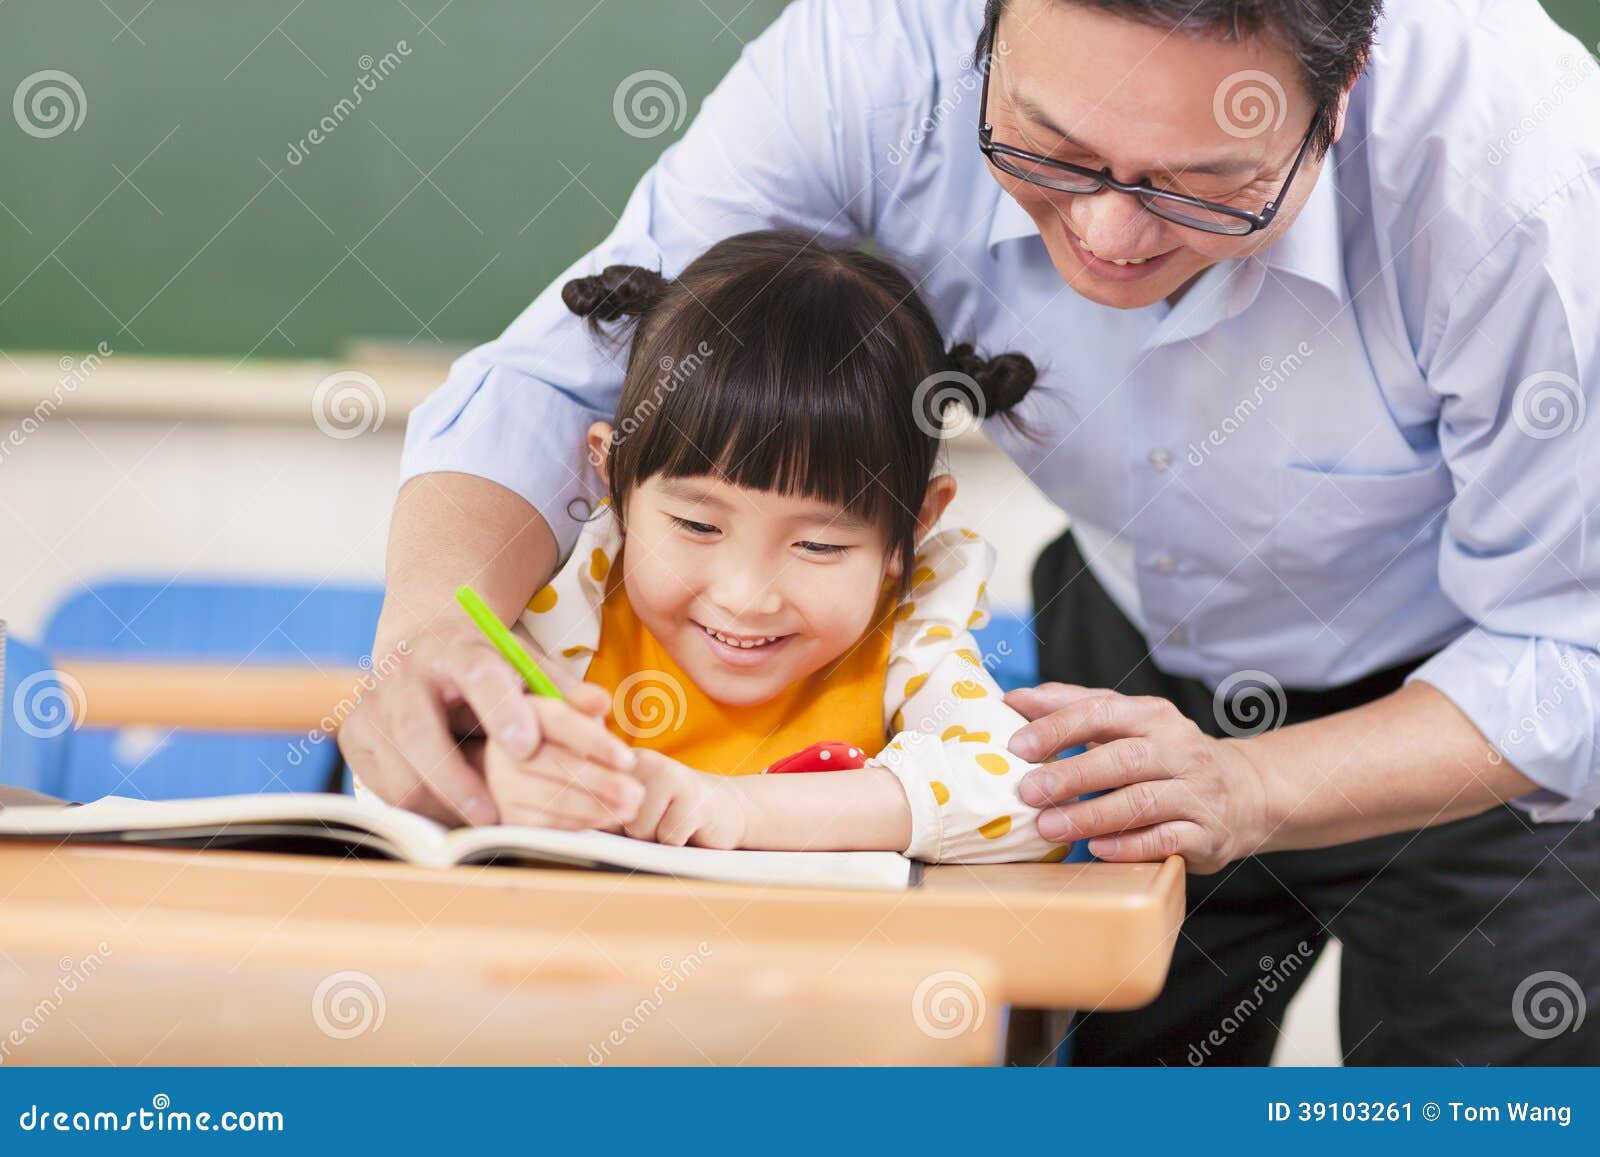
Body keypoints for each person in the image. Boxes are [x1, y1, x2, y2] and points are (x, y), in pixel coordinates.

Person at [339, 0, 1600, 1062]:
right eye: (1047, 149)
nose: (1106, 239)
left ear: (1341, 93)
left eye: (1200, 188)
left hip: (1470, 727)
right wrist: (425, 631)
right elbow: (579, 371)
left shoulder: (1522, 175)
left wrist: (1256, 781)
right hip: (1128, 654)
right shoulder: (877, 54)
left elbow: (1573, 643)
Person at [359, 228, 1059, 861]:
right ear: (615, 476)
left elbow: (1024, 796)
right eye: (697, 526)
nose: (744, 596)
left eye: (817, 545)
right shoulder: (566, 604)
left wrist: (732, 807)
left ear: (911, 529)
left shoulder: (908, 631)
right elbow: (394, 761)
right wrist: (494, 782)